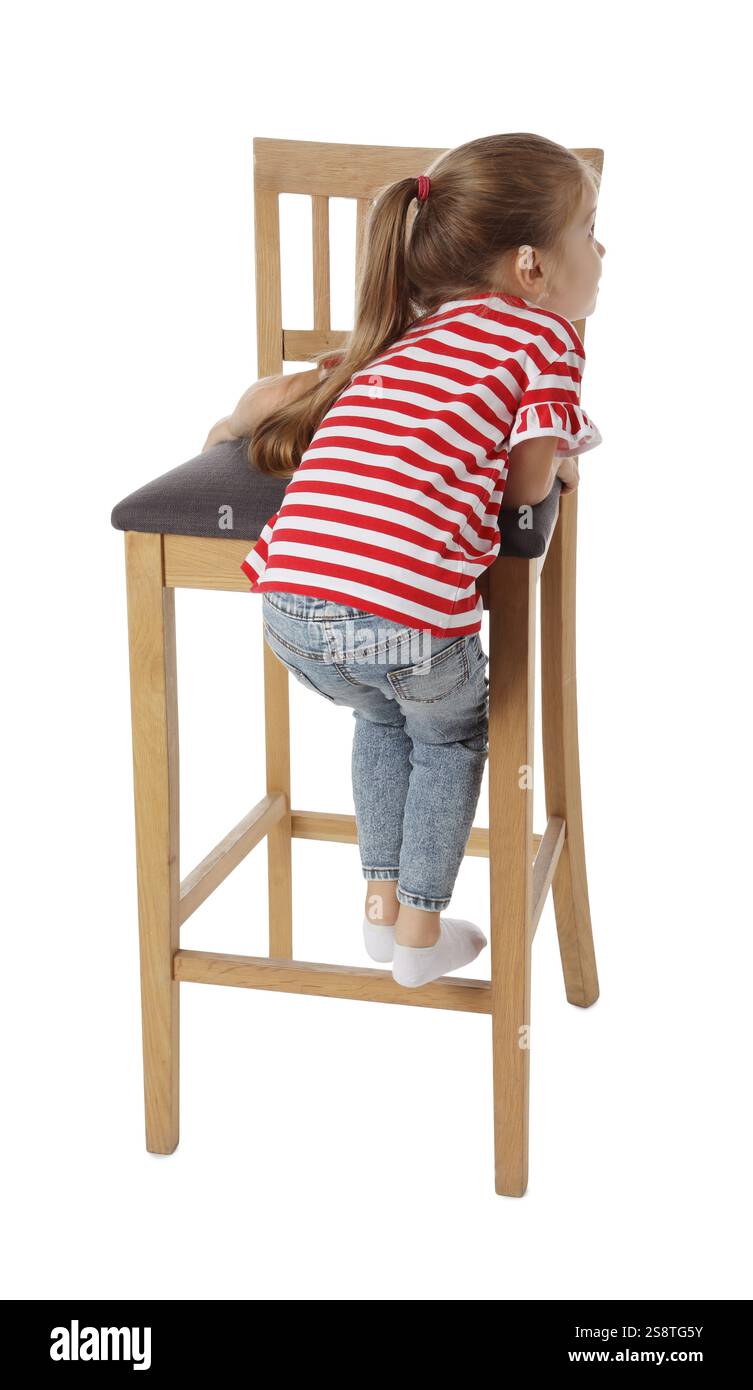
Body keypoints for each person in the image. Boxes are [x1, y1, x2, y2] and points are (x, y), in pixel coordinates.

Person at [203, 131, 605, 989]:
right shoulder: (547, 340)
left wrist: (228, 429)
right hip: (402, 618)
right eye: (589, 232)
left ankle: (379, 909)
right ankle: (421, 931)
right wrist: (556, 460)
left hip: (289, 609)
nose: (602, 253)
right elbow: (525, 485)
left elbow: (276, 398)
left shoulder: (399, 334)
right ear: (532, 267)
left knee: (381, 719)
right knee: (451, 736)